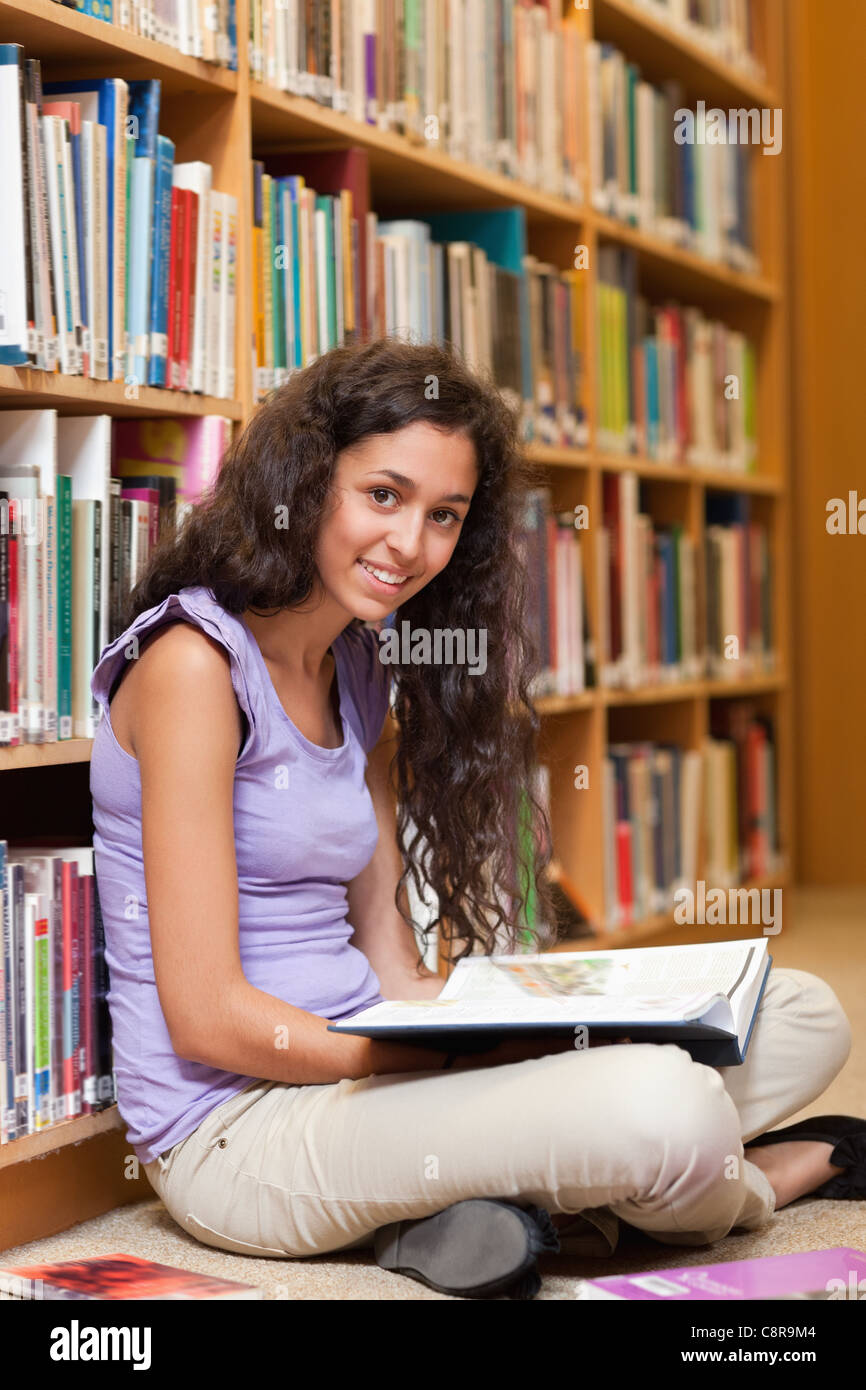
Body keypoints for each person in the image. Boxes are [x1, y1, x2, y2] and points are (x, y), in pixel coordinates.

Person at [90, 338, 855, 1297]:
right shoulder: (193, 668)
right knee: (670, 1111)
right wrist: (452, 1059)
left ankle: (490, 1203)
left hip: (366, 1064)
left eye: (443, 514)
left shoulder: (354, 666)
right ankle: (752, 1184)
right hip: (241, 1130)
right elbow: (208, 1020)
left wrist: (513, 1022)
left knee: (794, 1012)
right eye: (383, 495)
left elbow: (388, 960)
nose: (410, 544)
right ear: (303, 479)